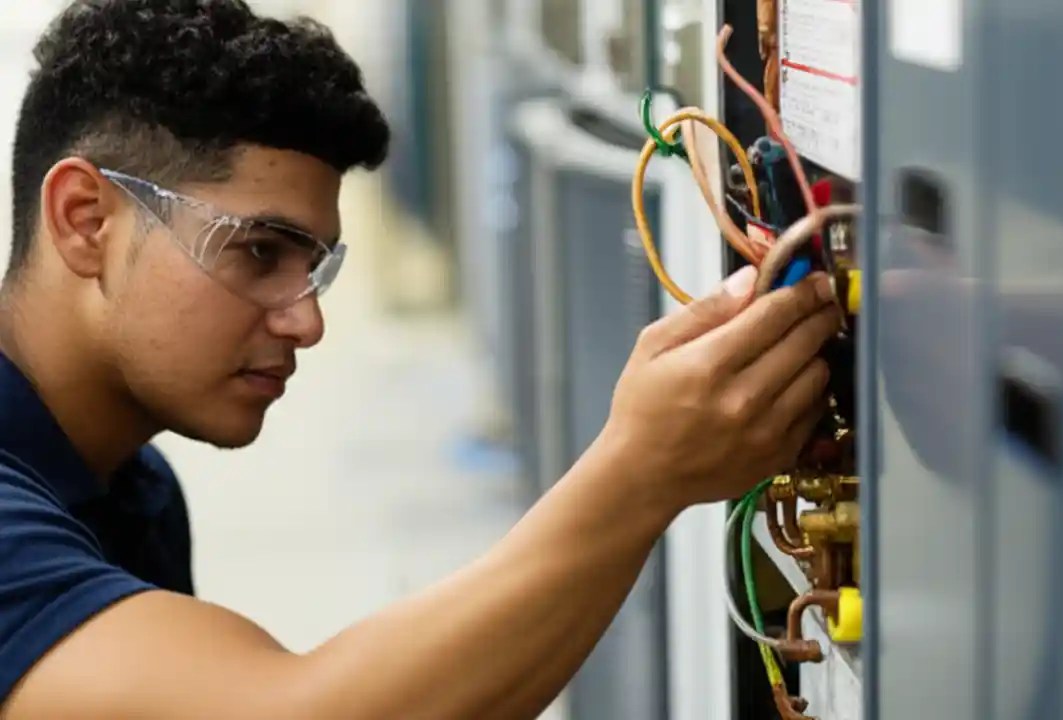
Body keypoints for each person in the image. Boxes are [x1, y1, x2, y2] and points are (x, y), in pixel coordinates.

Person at [0, 1, 842, 718]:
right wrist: (640, 473)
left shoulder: (132, 487)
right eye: (258, 252)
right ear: (86, 219)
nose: (306, 322)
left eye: (316, 267)